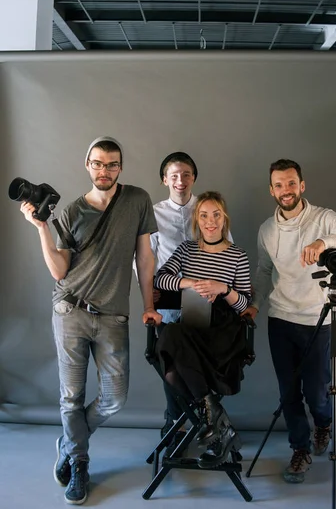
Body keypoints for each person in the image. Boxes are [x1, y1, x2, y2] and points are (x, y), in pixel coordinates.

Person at [20, 136, 157, 505]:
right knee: (71, 396)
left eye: (112, 164)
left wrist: (148, 304)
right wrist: (40, 228)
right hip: (70, 311)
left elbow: (145, 259)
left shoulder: (137, 200)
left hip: (113, 314)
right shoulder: (72, 212)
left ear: (121, 168)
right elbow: (59, 270)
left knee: (115, 398)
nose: (105, 170)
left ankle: (68, 442)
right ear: (87, 165)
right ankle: (79, 463)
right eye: (98, 163)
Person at [247, 158, 336, 484]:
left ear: (302, 185)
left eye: (291, 183)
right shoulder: (267, 230)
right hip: (280, 319)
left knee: (317, 392)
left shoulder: (324, 219)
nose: (286, 190)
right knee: (289, 393)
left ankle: (323, 425)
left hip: (317, 318)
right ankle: (299, 449)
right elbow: (263, 271)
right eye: (279, 185)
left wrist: (323, 242)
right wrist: (255, 305)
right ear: (271, 190)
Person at [144, 191, 252, 469]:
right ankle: (215, 419)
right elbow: (161, 279)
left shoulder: (238, 255)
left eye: (216, 214)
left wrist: (223, 289)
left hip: (223, 335)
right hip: (192, 327)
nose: (210, 221)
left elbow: (244, 306)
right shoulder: (186, 250)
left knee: (172, 350)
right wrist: (190, 283)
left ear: (224, 218)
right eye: (204, 215)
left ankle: (214, 422)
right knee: (169, 339)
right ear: (197, 219)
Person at [150, 152, 198, 448]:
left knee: (198, 359)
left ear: (194, 178)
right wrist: (148, 299)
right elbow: (143, 260)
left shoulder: (206, 208)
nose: (180, 181)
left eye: (187, 174)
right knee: (170, 362)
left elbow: (226, 246)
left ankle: (204, 421)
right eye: (174, 175)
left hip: (201, 296)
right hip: (166, 296)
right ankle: (175, 422)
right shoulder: (153, 213)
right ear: (164, 179)